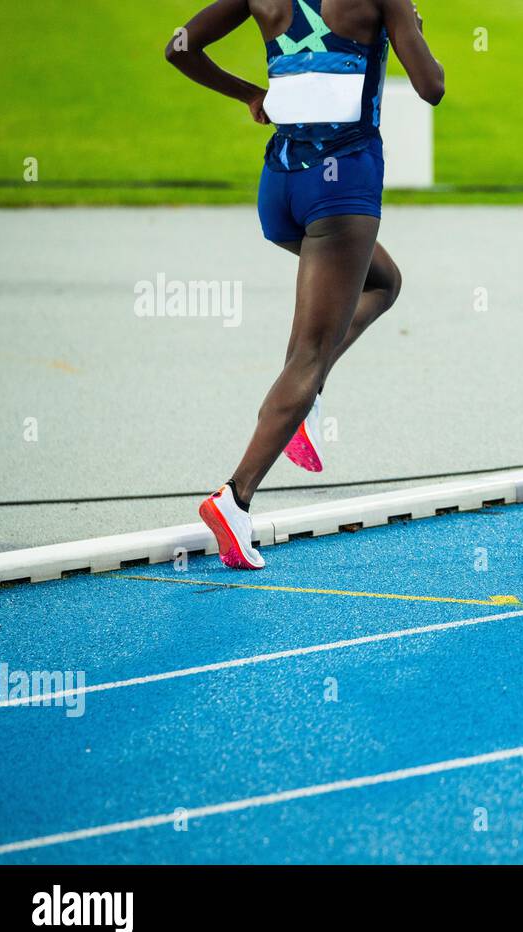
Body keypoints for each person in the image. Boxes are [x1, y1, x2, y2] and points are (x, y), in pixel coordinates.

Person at [165, 0, 444, 568]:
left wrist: (249, 92)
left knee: (383, 283)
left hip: (281, 187)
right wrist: (408, 25)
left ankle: (304, 401)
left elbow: (180, 48)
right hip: (342, 188)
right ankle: (235, 498)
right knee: (311, 351)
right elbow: (431, 86)